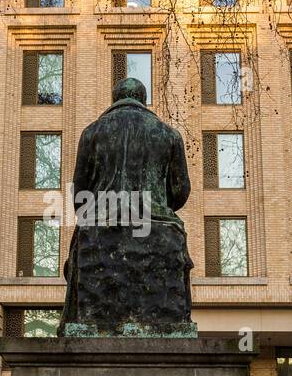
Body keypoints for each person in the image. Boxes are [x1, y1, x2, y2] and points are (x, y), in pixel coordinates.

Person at [58, 76, 195, 334]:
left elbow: (79, 194)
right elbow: (180, 192)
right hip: (158, 226)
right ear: (143, 101)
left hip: (99, 225)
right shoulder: (169, 134)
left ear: (115, 100)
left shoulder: (92, 132)